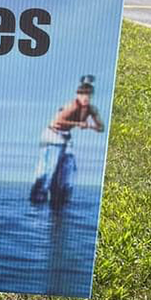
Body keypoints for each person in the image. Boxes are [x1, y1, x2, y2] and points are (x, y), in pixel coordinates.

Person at [29, 76, 104, 205]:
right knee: (47, 172)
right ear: (77, 95)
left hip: (65, 138)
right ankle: (37, 202)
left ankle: (59, 202)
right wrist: (78, 123)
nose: (85, 97)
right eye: (82, 94)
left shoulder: (92, 109)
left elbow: (101, 127)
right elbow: (58, 121)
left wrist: (92, 126)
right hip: (52, 136)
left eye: (88, 94)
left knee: (66, 173)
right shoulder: (72, 106)